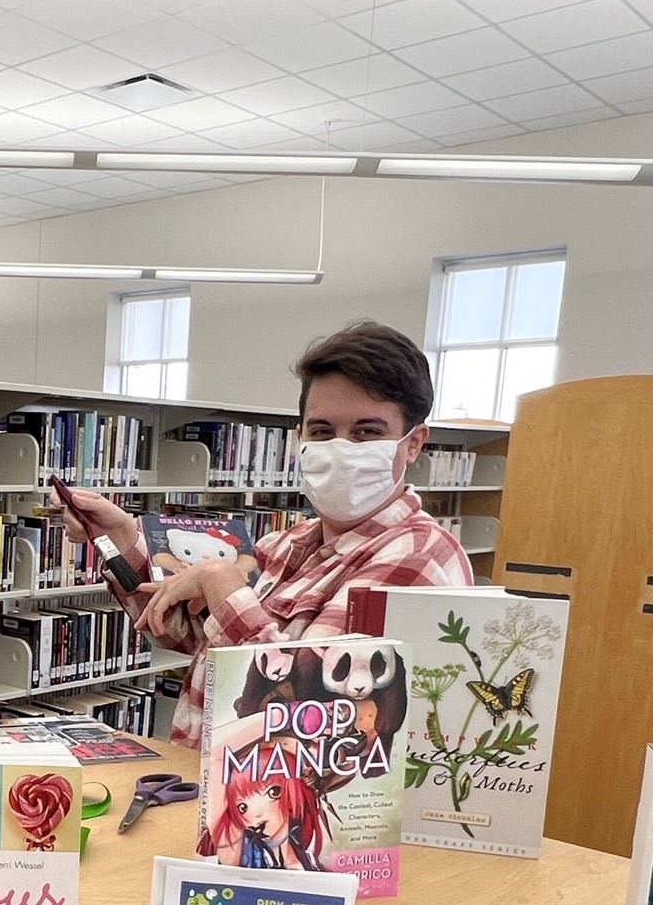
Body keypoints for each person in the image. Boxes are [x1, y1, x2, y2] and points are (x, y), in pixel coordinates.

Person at [64, 320, 471, 749]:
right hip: (216, 778)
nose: (340, 449)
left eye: (367, 432)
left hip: (287, 790)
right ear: (300, 439)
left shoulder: (419, 557)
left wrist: (221, 585)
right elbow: (187, 632)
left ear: (413, 443)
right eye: (322, 431)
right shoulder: (286, 544)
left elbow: (314, 714)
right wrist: (121, 537)